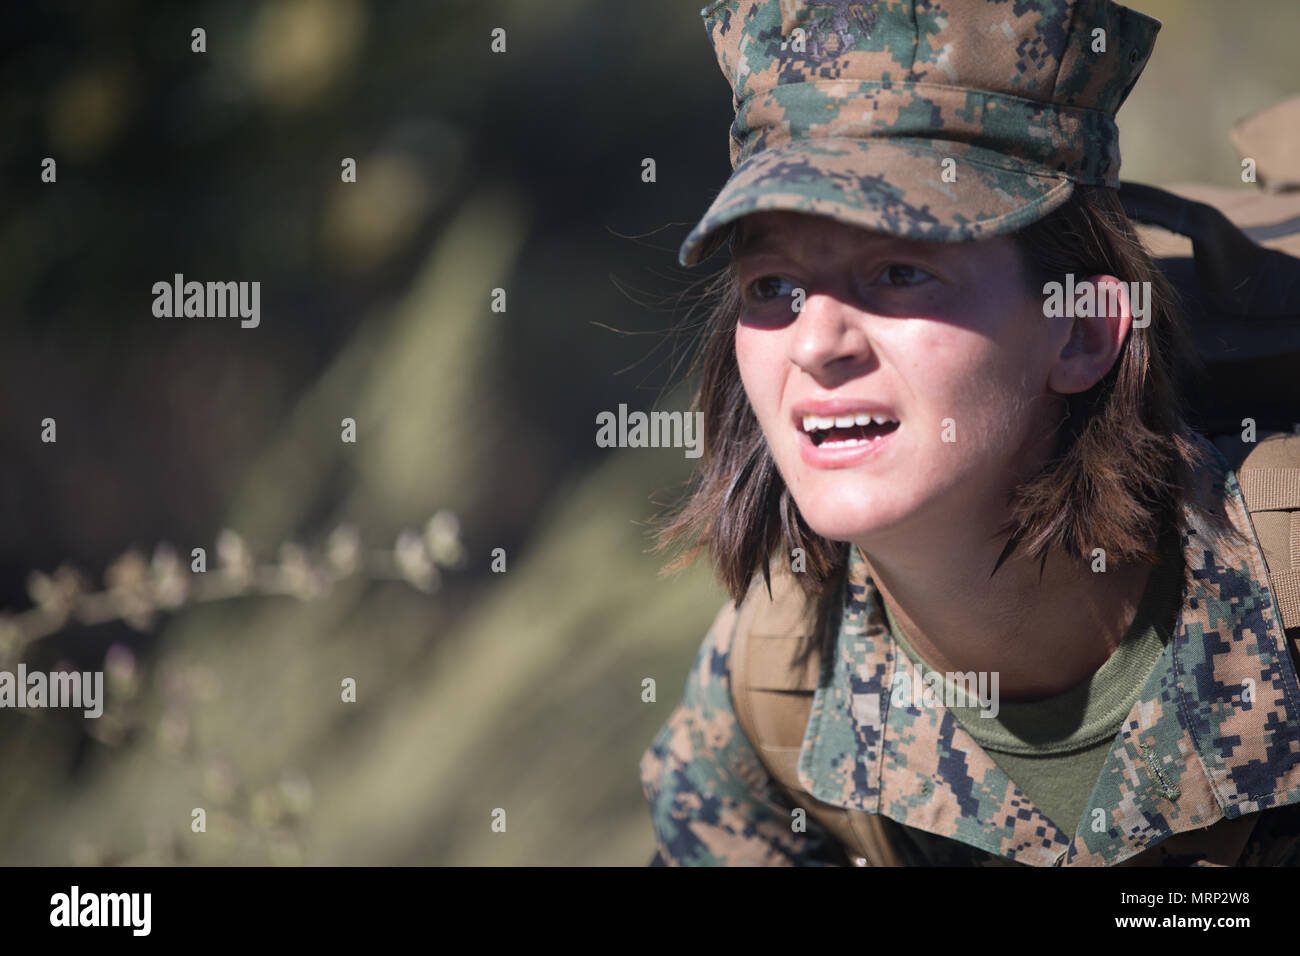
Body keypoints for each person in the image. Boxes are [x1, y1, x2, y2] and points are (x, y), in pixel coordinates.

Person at [639, 0, 1300, 866]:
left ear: (1083, 331)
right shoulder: (777, 682)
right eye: (772, 287)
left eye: (902, 270)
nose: (815, 342)